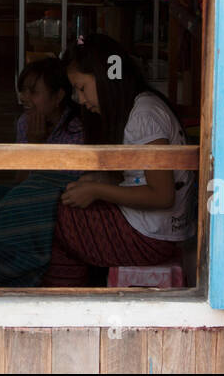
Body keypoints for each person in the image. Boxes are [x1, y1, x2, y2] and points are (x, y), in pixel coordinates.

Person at [41, 34, 197, 287]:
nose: (80, 100)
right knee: (62, 203)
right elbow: (140, 177)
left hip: (150, 238)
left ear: (106, 77)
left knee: (52, 220)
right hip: (152, 229)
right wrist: (102, 180)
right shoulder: (139, 109)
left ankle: (64, 299)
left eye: (82, 88)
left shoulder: (144, 116)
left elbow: (162, 195)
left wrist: (97, 190)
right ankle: (75, 294)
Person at [15, 56, 83, 145]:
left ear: (58, 97)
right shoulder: (24, 122)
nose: (23, 98)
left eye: (33, 91)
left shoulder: (76, 130)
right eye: (23, 90)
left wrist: (35, 144)